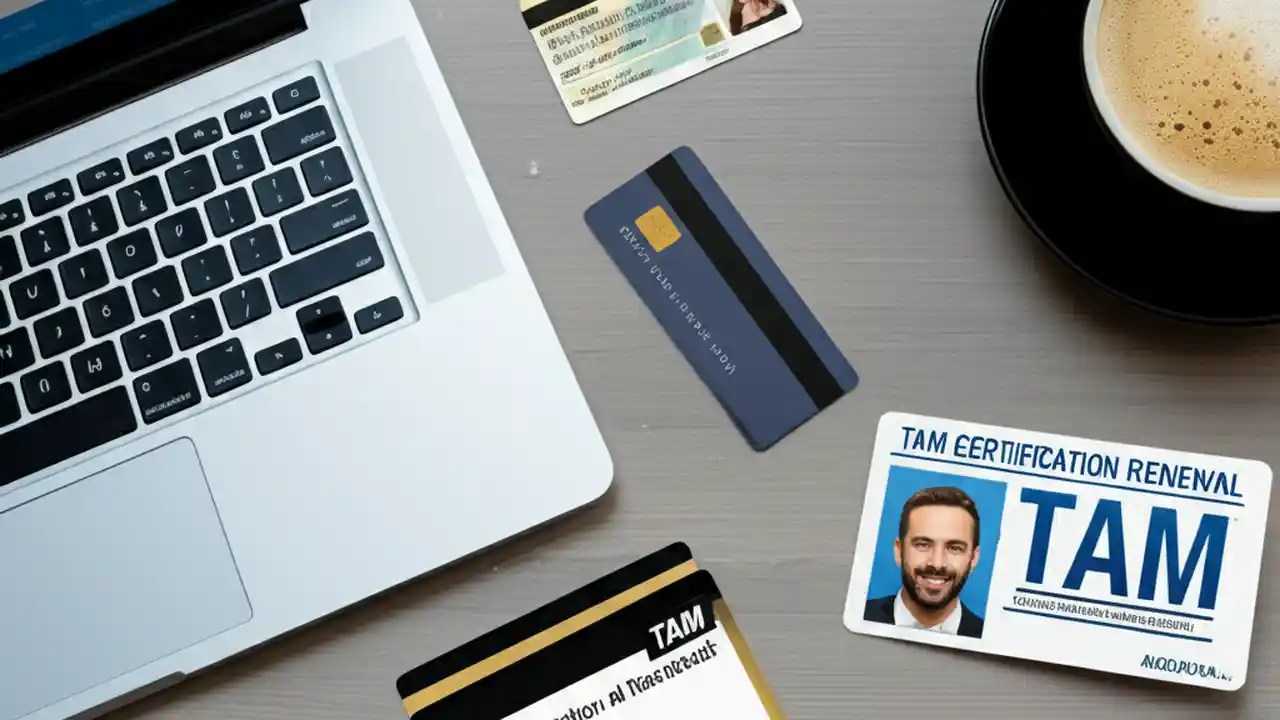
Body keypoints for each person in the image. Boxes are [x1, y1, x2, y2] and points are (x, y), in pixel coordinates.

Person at [864, 486, 985, 638]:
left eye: (955, 548)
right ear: (898, 551)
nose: (937, 563)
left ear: (973, 558)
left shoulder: (992, 639)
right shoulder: (859, 615)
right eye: (923, 544)